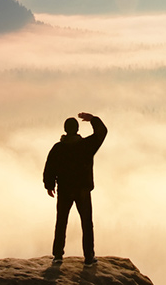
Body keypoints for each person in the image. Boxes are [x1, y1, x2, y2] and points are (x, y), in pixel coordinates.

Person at [43, 112, 107, 266]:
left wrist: (49, 185)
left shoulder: (58, 148)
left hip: (65, 190)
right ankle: (89, 257)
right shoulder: (86, 145)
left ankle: (58, 255)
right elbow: (102, 132)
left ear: (65, 130)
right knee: (86, 223)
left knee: (61, 222)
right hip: (83, 190)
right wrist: (93, 119)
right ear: (77, 129)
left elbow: (49, 167)